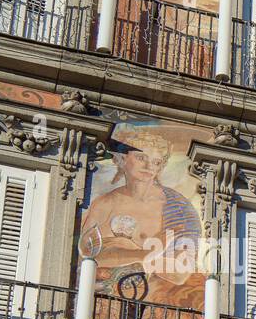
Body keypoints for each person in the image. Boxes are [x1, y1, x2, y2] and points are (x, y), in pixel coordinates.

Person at [78, 129, 201, 307]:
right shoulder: (103, 203)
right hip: (99, 298)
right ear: (122, 159)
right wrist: (146, 254)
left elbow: (181, 271)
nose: (149, 166)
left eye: (156, 162)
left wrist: (120, 255)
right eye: (141, 157)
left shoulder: (178, 208)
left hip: (146, 302)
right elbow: (86, 257)